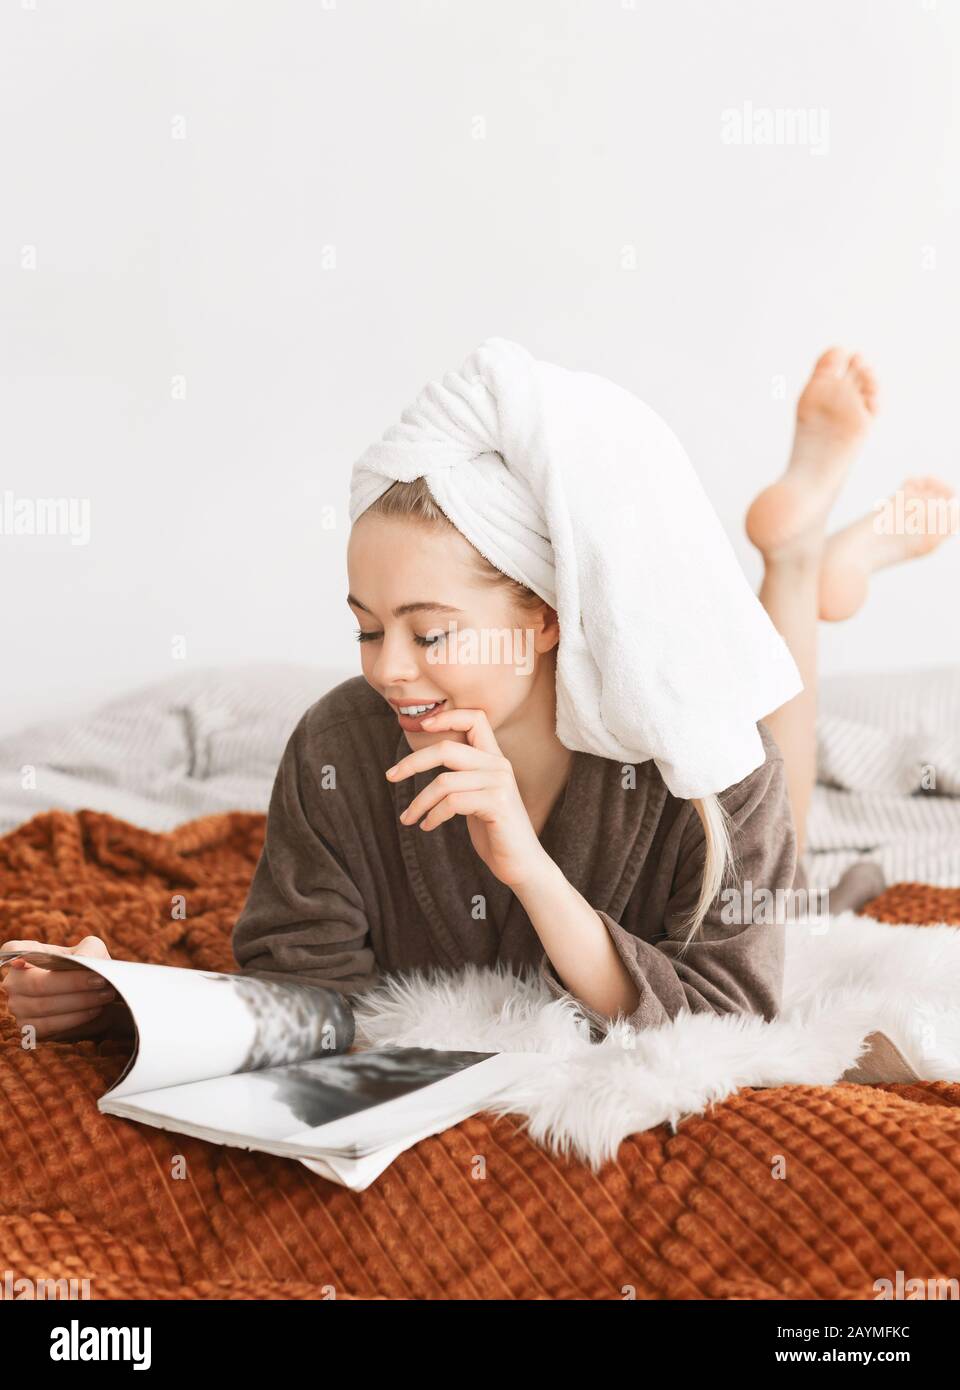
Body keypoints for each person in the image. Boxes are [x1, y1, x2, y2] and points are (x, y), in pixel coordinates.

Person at [2, 348, 954, 1042]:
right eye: (368, 628)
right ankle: (811, 557)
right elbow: (304, 992)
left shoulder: (706, 774)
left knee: (773, 786)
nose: (387, 668)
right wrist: (129, 1002)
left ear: (544, 617)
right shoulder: (339, 747)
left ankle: (800, 562)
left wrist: (530, 871)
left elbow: (730, 1014)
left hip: (735, 779)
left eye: (431, 631)